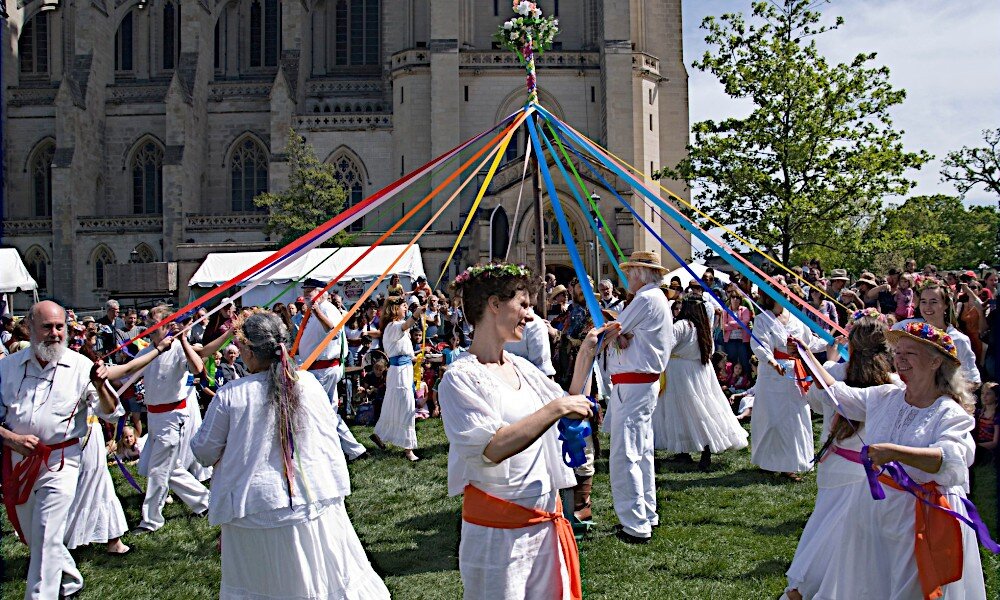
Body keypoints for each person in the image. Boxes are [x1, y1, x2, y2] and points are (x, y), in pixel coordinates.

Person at [191, 311, 390, 600]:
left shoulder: (231, 395)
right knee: (322, 583)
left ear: (247, 350)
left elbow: (204, 452)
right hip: (314, 498)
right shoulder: (308, 384)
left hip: (259, 507)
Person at [438, 262, 606, 600]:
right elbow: (492, 447)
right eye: (523, 304)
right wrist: (556, 408)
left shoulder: (522, 368)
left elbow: (566, 404)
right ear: (494, 305)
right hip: (498, 536)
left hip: (544, 523)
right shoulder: (460, 378)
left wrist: (588, 350)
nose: (530, 316)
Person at [792, 322, 986, 599]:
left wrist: (895, 452)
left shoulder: (949, 412)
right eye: (898, 352)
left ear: (934, 362)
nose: (900, 359)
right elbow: (838, 394)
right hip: (878, 507)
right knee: (873, 581)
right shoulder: (886, 396)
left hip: (924, 515)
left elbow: (952, 458)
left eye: (910, 353)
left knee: (912, 586)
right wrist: (806, 357)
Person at [0, 300, 121, 599]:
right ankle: (69, 580)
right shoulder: (7, 367)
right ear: (29, 328)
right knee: (34, 535)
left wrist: (101, 385)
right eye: (47, 327)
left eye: (59, 327)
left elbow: (111, 412)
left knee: (48, 531)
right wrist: (10, 439)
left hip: (61, 461)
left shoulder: (81, 366)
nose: (55, 333)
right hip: (18, 461)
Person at [784, 310, 899, 599]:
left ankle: (807, 587)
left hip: (835, 464)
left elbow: (817, 403)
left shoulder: (835, 374)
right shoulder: (895, 385)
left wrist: (820, 362)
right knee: (854, 537)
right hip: (872, 472)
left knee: (825, 528)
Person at [601, 251, 675, 544]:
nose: (628, 277)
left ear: (642, 274)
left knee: (626, 452)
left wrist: (613, 330)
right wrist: (619, 332)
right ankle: (646, 513)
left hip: (633, 385)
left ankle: (635, 523)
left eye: (631, 272)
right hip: (640, 384)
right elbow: (621, 331)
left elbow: (613, 330)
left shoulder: (646, 299)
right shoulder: (655, 299)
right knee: (641, 450)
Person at [129, 306, 211, 534]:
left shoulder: (177, 348)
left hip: (172, 417)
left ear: (167, 325)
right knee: (169, 467)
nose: (147, 325)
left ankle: (151, 520)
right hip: (154, 417)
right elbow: (129, 372)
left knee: (157, 470)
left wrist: (183, 339)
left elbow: (197, 368)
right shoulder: (148, 350)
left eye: (153, 321)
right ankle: (205, 501)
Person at [652, 295, 748, 470]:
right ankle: (693, 451)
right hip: (698, 373)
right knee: (699, 410)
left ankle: (693, 450)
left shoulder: (683, 325)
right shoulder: (702, 329)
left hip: (681, 374)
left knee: (684, 410)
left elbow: (665, 344)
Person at [750, 293, 827, 480]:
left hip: (795, 374)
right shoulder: (762, 319)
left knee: (795, 417)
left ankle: (791, 464)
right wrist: (771, 362)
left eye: (786, 292)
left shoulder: (796, 318)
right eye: (780, 293)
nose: (785, 296)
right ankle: (767, 461)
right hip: (772, 375)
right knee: (771, 418)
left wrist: (831, 342)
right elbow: (759, 344)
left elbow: (809, 342)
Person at [297, 279, 368, 461]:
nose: (306, 295)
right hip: (318, 369)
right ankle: (354, 450)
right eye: (305, 291)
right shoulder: (317, 310)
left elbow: (334, 332)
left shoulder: (326, 309)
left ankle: (331, 452)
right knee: (327, 412)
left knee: (320, 412)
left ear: (321, 293)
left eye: (310, 291)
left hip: (323, 370)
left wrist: (317, 310)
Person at [894, 279, 981, 388]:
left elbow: (973, 380)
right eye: (923, 301)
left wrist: (948, 395)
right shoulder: (912, 333)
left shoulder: (958, 339)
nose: (927, 307)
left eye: (934, 301)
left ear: (945, 305)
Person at [371, 296, 423, 461]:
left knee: (393, 405)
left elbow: (403, 349)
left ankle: (379, 434)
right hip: (399, 372)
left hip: (402, 370)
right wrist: (416, 315)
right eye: (403, 306)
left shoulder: (395, 328)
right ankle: (408, 450)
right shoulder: (394, 327)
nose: (406, 309)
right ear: (395, 309)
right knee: (407, 407)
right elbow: (407, 324)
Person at [504, 287, 556, 377]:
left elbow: (544, 373)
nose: (528, 317)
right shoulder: (535, 324)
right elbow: (544, 372)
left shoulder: (535, 325)